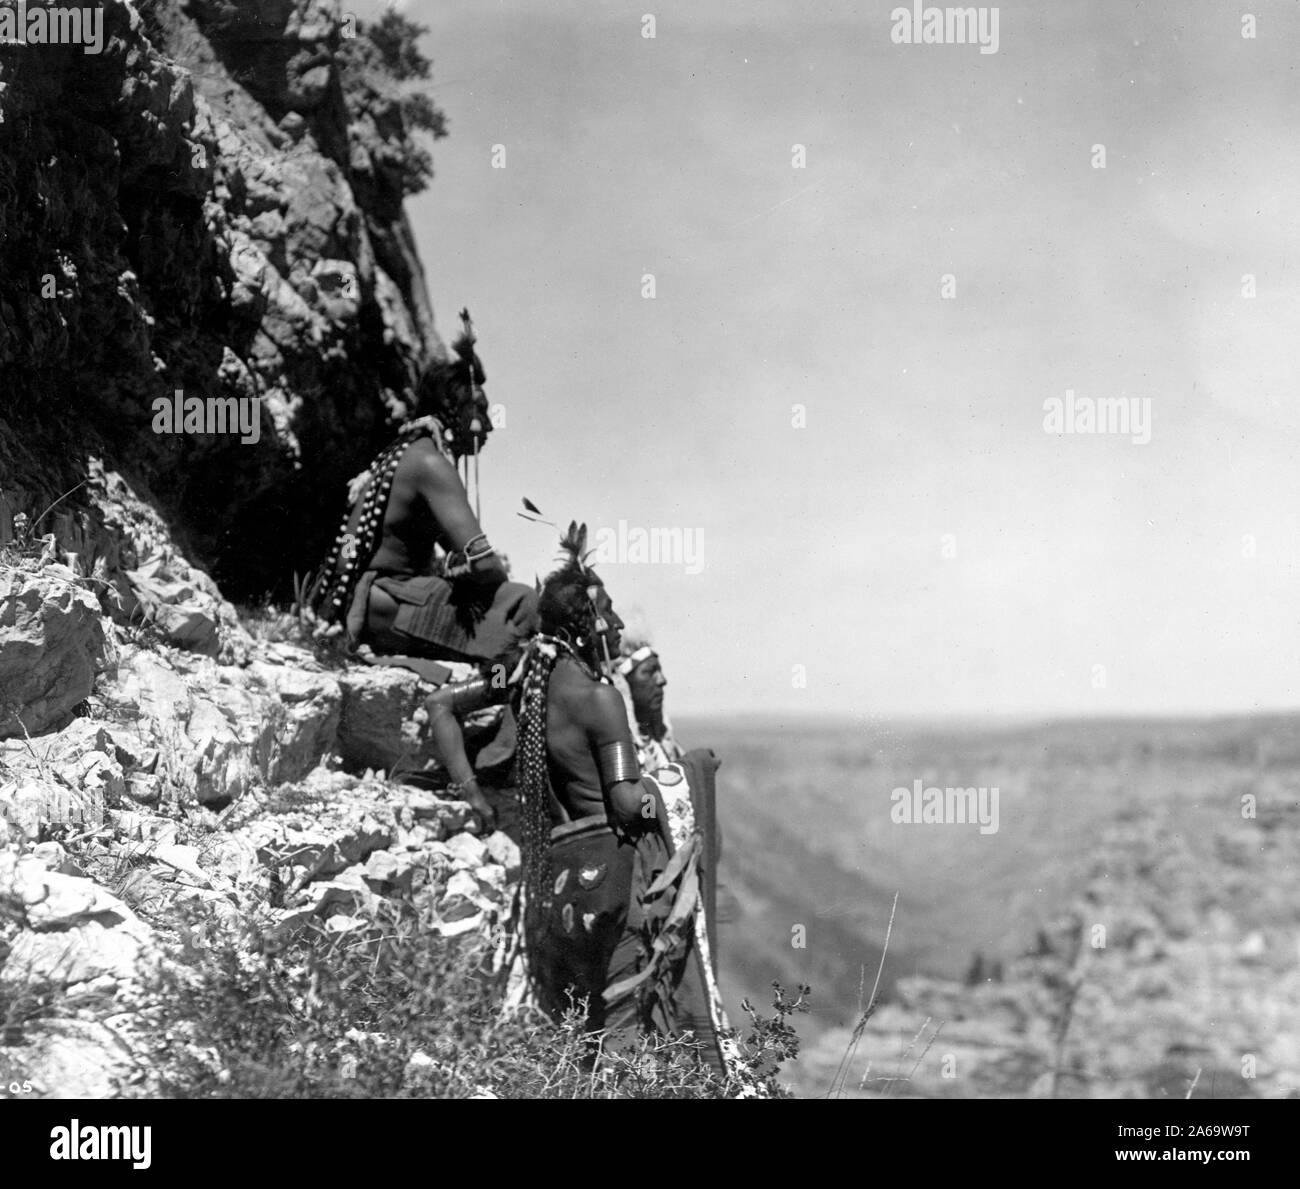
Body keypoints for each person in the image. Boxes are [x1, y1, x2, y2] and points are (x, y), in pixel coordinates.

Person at [512, 526, 733, 1073]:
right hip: (613, 879)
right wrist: (683, 781)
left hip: (561, 882)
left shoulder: (535, 689)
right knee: (624, 1034)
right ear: (583, 623)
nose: (613, 624)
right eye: (605, 613)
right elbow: (630, 804)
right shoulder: (601, 698)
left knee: (581, 1029)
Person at [310, 313, 537, 830]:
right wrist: (477, 580)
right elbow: (487, 568)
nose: (487, 423)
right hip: (389, 603)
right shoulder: (430, 462)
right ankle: (474, 727)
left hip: (381, 600)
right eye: (478, 410)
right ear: (453, 409)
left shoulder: (405, 453)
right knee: (523, 604)